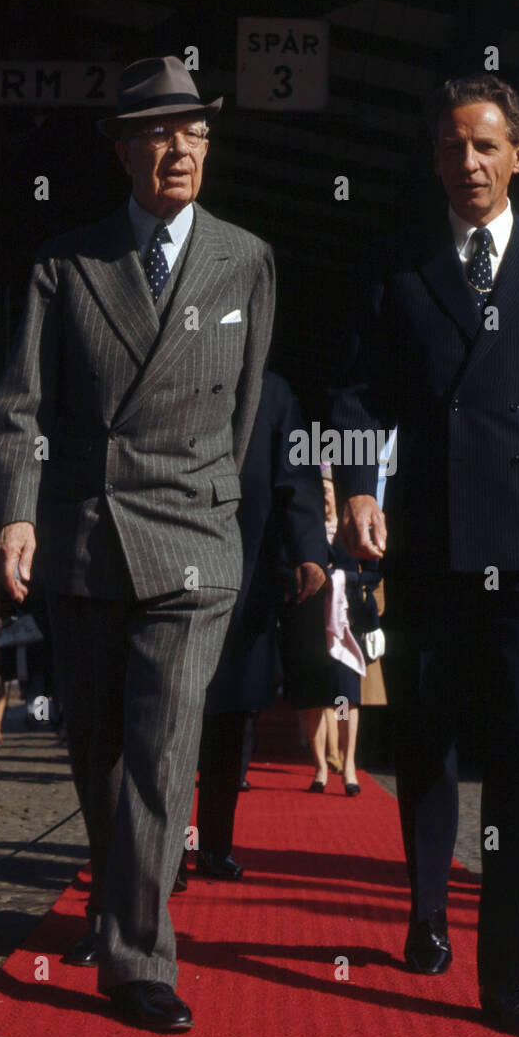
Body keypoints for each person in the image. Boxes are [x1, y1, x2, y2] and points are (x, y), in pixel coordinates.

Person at [0, 56, 274, 1033]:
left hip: (193, 536)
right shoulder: (67, 262)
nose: (180, 146)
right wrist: (18, 509)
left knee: (160, 748)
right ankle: (118, 906)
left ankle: (140, 957)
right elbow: (22, 404)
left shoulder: (247, 259)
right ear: (123, 149)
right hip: (85, 534)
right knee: (99, 749)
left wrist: (210, 499)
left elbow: (241, 413)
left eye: (195, 129)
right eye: (158, 130)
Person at [332, 74, 519, 1037]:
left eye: (485, 147)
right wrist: (360, 484)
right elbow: (359, 393)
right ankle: (423, 911)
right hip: (434, 540)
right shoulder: (398, 268)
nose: (467, 164)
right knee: (427, 737)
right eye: (452, 147)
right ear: (436, 158)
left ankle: (508, 977)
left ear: (517, 154)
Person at [190, 372, 331, 886]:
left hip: (244, 582)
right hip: (169, 568)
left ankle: (214, 846)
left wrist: (310, 551)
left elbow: (298, 480)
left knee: (230, 719)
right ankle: (159, 851)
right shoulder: (176, 367)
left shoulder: (275, 394)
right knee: (164, 717)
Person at [281, 468, 377, 796]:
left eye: (329, 488)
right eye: (319, 489)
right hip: (308, 623)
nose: (325, 495)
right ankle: (321, 767)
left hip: (345, 626)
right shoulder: (303, 530)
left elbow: (374, 571)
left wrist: (345, 580)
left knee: (347, 696)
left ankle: (348, 765)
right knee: (314, 698)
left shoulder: (353, 527)